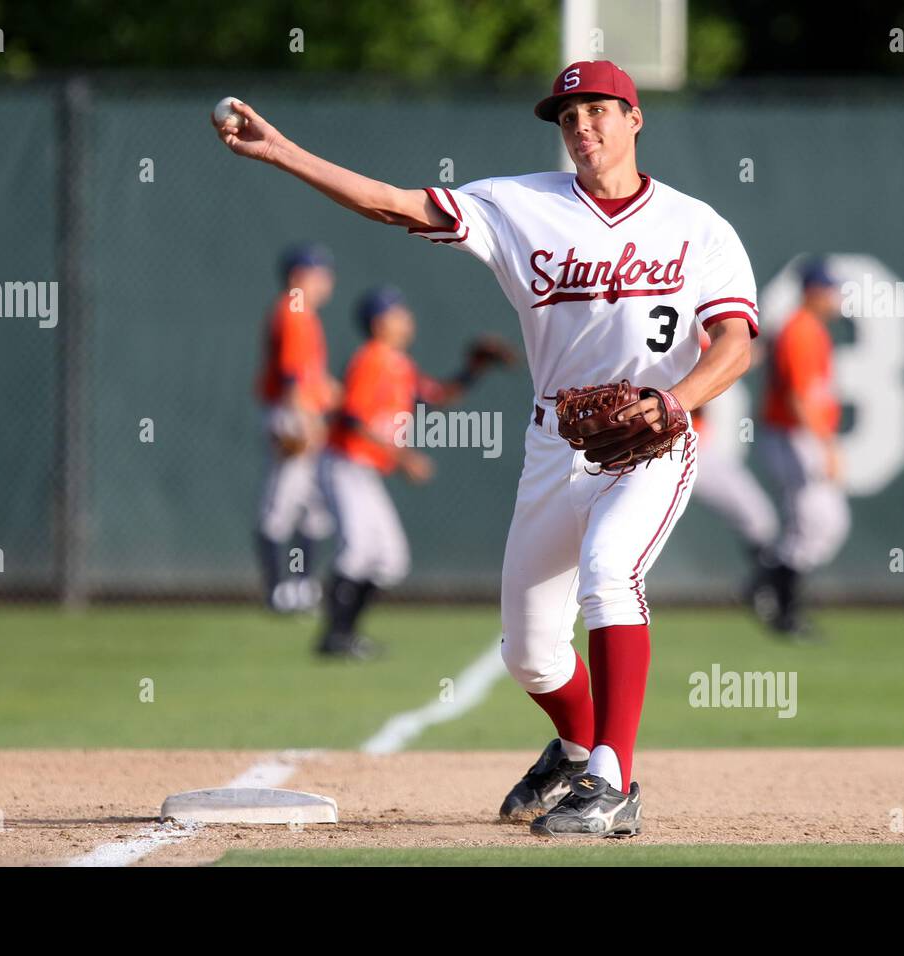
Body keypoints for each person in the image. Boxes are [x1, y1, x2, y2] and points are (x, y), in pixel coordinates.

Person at [213, 59, 757, 838]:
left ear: (635, 119)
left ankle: (614, 781)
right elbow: (390, 203)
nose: (582, 127)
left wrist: (674, 402)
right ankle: (576, 747)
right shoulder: (517, 205)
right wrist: (283, 152)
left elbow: (734, 347)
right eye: (568, 117)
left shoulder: (698, 226)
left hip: (652, 443)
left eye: (599, 111)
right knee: (531, 655)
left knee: (611, 572)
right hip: (554, 443)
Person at [316, 286, 503, 659]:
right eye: (399, 313)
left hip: (364, 470)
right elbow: (352, 417)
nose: (407, 319)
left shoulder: (399, 364)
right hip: (345, 464)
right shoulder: (371, 359)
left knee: (390, 559)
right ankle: (335, 637)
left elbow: (438, 396)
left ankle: (345, 635)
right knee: (356, 550)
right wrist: (403, 458)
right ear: (380, 322)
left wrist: (474, 368)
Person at [756, 260, 851, 638]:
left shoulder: (810, 329)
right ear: (813, 291)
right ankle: (782, 606)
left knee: (824, 524)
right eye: (830, 289)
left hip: (799, 436)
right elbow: (798, 397)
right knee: (814, 522)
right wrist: (825, 447)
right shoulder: (800, 330)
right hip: (793, 436)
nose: (836, 297)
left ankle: (769, 586)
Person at [254, 244, 340, 613]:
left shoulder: (304, 314)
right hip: (294, 414)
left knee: (315, 508)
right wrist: (306, 423)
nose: (326, 280)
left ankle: (302, 588)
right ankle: (277, 591)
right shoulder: (293, 309)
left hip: (306, 412)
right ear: (297, 276)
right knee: (281, 502)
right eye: (317, 272)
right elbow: (292, 377)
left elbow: (312, 377)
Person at [687, 331, 780, 617]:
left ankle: (762, 591)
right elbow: (709, 366)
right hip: (687, 450)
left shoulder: (701, 331)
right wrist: (748, 354)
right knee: (760, 519)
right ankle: (763, 592)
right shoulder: (689, 335)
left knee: (760, 520)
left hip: (697, 449)